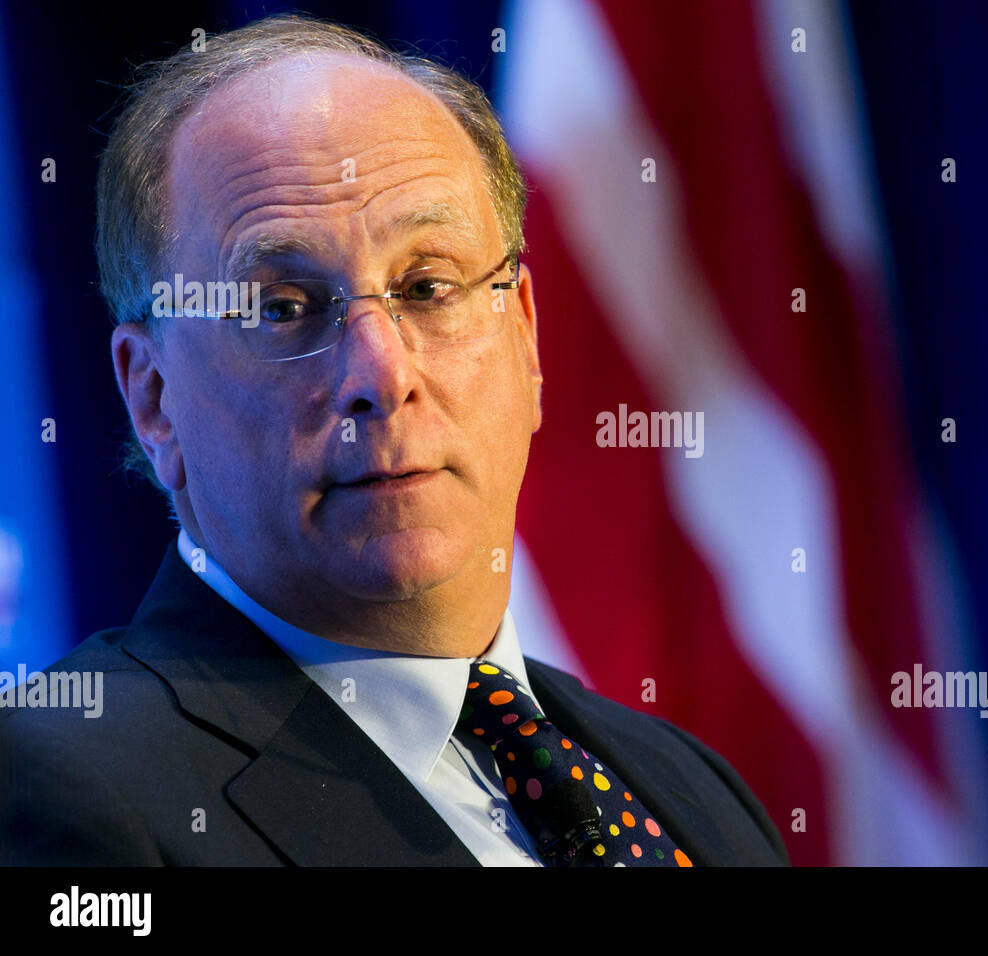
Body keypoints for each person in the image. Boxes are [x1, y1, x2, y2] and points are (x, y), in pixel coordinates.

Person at [0, 13, 787, 867]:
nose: (381, 373)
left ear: (525, 339)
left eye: (427, 286)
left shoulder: (697, 796)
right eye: (282, 308)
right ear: (153, 398)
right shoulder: (64, 792)